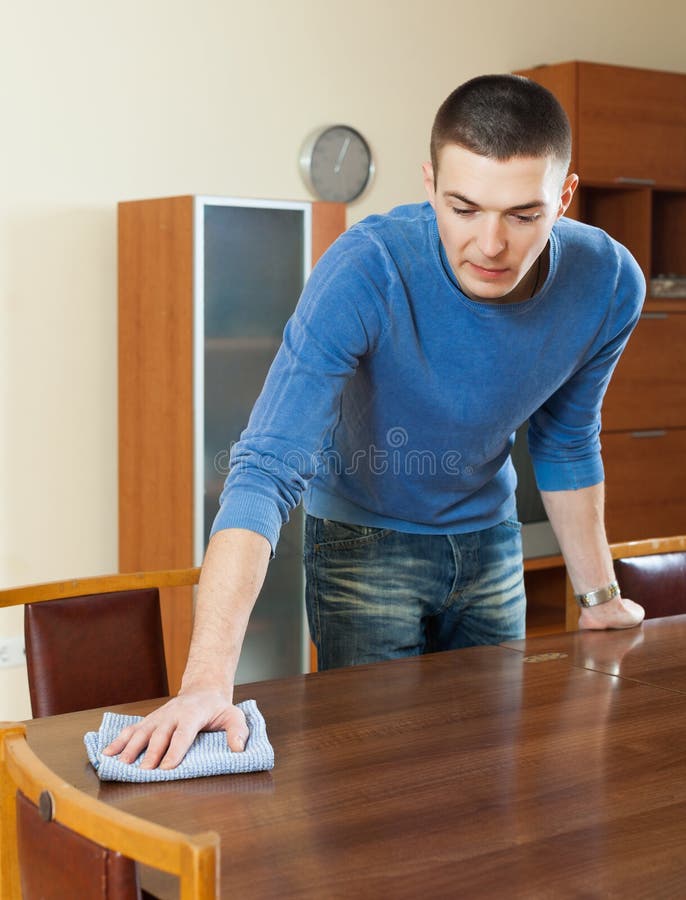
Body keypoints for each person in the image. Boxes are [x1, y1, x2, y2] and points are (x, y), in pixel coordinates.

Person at [105, 74, 645, 769]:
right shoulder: (367, 268)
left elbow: (566, 437)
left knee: (491, 775)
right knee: (376, 779)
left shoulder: (608, 283)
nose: (490, 244)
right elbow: (267, 467)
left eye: (523, 215)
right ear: (429, 182)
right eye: (464, 207)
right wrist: (207, 682)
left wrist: (598, 596)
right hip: (363, 542)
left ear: (564, 198)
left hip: (489, 543)